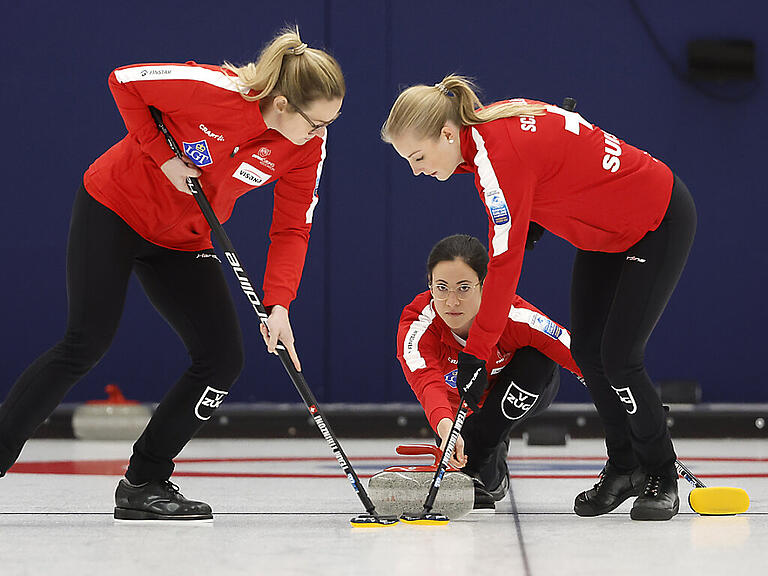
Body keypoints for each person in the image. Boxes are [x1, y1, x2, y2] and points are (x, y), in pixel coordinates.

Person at [0, 27, 344, 522]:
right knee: (87, 340)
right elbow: (125, 80)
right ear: (285, 103)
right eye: (317, 121)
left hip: (185, 238)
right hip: (115, 209)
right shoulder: (216, 89)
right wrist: (162, 158)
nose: (322, 132)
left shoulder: (306, 148)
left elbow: (291, 228)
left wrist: (279, 304)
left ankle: (145, 480)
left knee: (222, 358)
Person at [383, 76, 696, 521]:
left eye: (418, 156)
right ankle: (625, 465)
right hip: (603, 235)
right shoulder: (492, 127)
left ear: (447, 134)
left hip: (655, 220)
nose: (416, 170)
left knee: (621, 356)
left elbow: (504, 268)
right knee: (588, 352)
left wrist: (477, 352)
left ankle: (660, 472)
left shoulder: (496, 157)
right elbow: (563, 136)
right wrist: (537, 212)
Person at [397, 234, 582, 510]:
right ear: (429, 285)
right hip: (460, 408)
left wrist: (632, 409)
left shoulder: (512, 314)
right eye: (442, 288)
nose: (451, 302)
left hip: (524, 388)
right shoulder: (418, 325)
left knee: (537, 357)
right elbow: (427, 384)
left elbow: (578, 356)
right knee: (484, 483)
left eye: (463, 288)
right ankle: (488, 464)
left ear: (485, 286)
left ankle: (485, 448)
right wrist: (445, 426)